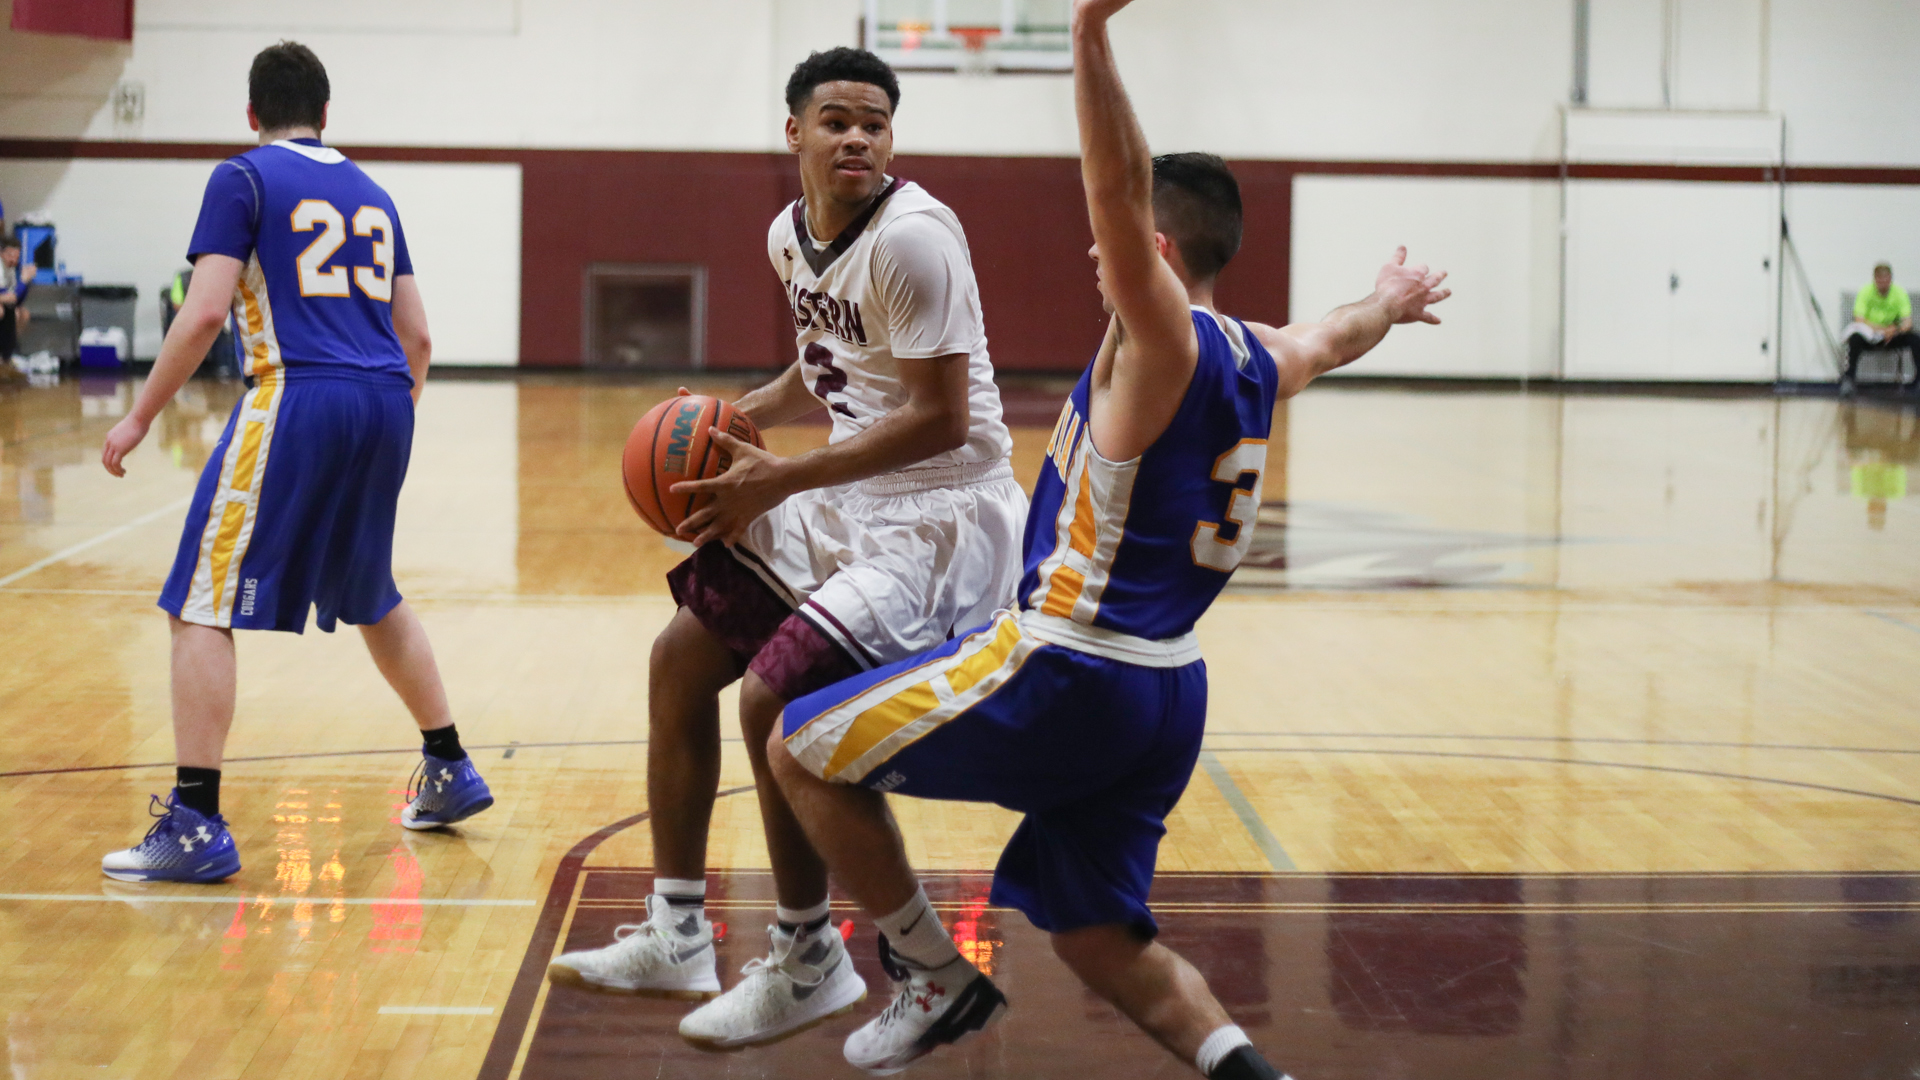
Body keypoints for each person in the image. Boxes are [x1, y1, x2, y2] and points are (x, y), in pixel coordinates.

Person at [764, 0, 1452, 1074]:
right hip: (1171, 694)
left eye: (1115, 246)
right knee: (1093, 932)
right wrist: (1390, 299)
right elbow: (1338, 331)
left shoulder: (1157, 336)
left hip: (1071, 665)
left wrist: (1088, 34)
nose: (1097, 251)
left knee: (795, 747)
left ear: (1156, 250)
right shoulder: (1264, 353)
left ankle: (933, 979)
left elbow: (1116, 189)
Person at [544, 46, 1028, 1051]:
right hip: (853, 493)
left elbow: (943, 421)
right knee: (681, 657)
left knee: (773, 698)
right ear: (795, 133)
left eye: (875, 123)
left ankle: (816, 957)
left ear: (890, 139)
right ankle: (678, 931)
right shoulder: (787, 235)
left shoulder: (917, 239)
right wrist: (751, 409)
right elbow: (830, 356)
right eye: (837, 120)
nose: (857, 136)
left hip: (943, 519)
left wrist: (785, 476)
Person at [96, 41, 491, 884]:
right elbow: (418, 334)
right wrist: (393, 408)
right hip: (385, 397)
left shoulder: (242, 177)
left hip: (298, 393)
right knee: (370, 590)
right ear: (325, 115)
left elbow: (205, 313)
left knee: (200, 599)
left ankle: (196, 822)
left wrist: (137, 416)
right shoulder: (374, 192)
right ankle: (450, 766)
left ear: (252, 114)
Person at [1842, 263, 1919, 395]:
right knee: (1855, 339)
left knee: (1915, 339)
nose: (1883, 284)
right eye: (1880, 280)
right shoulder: (1865, 292)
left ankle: (1918, 381)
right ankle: (1849, 379)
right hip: (1871, 335)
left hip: (1892, 336)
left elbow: (1907, 322)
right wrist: (1882, 330)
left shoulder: (1899, 293)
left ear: (1891, 279)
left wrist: (1894, 330)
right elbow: (1859, 320)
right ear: (1875, 280)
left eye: (1886, 280)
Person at [1, 233, 34, 362]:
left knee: (22, 313)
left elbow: (16, 300)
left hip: (6, 300)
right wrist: (24, 281)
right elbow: (11, 297)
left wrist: (26, 283)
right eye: (10, 255)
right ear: (1, 253)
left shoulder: (11, 269)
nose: (13, 259)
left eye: (16, 256)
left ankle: (10, 350)